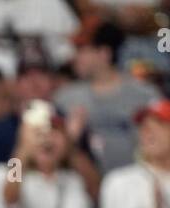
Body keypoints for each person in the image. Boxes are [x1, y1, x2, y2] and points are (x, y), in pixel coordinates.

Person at [54, 21, 158, 173]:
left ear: (104, 53)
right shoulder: (65, 97)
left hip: (136, 184)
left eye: (82, 50)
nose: (75, 57)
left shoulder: (144, 95)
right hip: (83, 188)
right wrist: (69, 137)